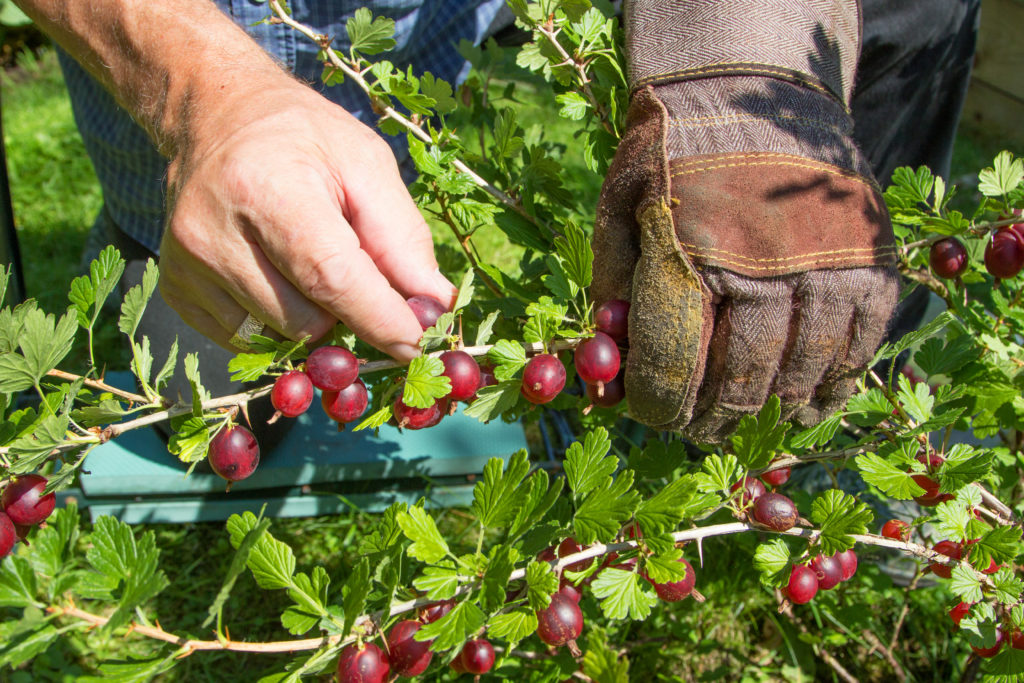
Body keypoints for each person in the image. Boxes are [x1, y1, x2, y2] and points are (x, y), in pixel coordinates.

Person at [13, 0, 980, 444]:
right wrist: (197, 92)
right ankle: (206, 401)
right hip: (172, 63)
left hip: (405, 40)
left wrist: (740, 49)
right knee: (212, 337)